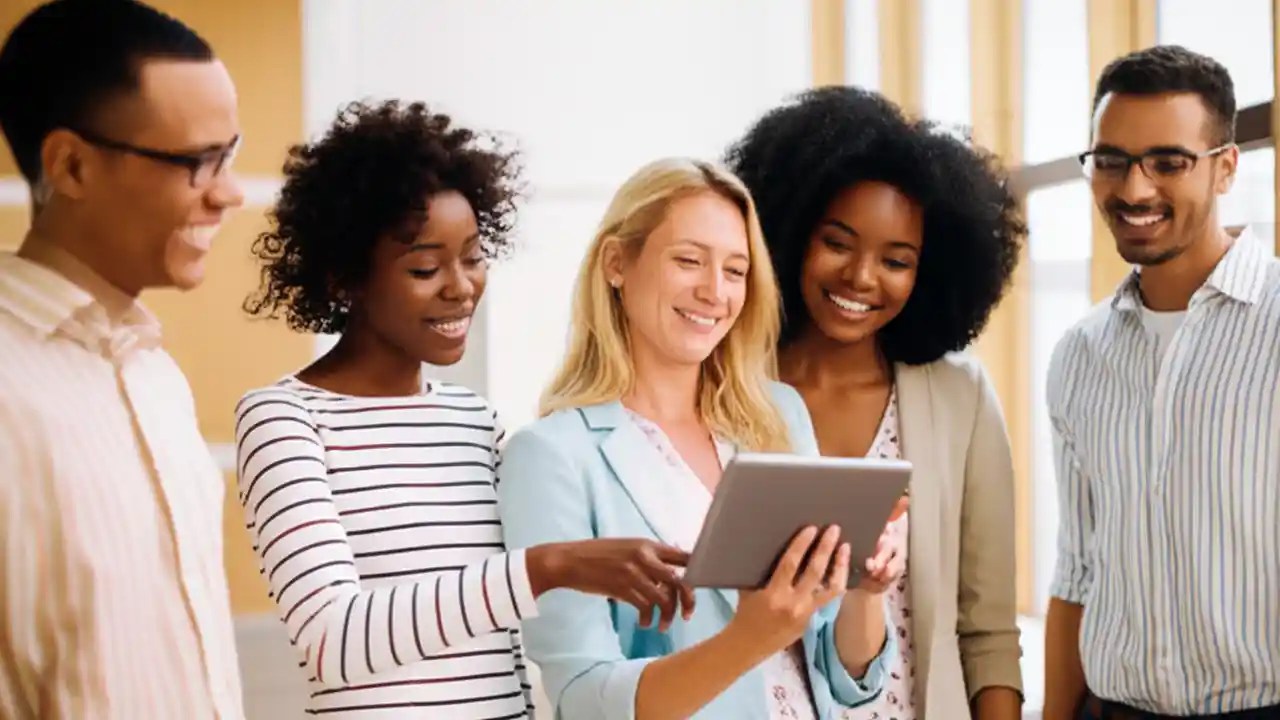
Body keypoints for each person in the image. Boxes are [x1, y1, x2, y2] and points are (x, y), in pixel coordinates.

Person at [234, 100, 695, 719]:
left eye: (474, 256)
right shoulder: (284, 420)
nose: (461, 286)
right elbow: (332, 640)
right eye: (424, 267)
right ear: (345, 277)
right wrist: (550, 566)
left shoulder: (473, 420)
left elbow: (502, 640)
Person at [497, 157, 906, 719]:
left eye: (736, 271)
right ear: (617, 263)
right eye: (689, 261)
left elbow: (847, 679)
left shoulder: (777, 416)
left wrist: (866, 587)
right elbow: (585, 700)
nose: (715, 292)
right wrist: (751, 637)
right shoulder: (549, 457)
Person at [726, 86, 1026, 720]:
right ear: (789, 233)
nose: (862, 278)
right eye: (837, 243)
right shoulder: (722, 385)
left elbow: (988, 630)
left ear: (930, 272)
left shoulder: (959, 398)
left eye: (896, 259)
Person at [0, 2, 246, 718]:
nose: (227, 192)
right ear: (70, 165)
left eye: (229, 156)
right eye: (197, 162)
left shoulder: (152, 373)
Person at [1043, 45, 1280, 720]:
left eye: (1169, 162)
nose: (1135, 188)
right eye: (1112, 160)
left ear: (1225, 167)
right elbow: (1077, 573)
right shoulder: (1079, 356)